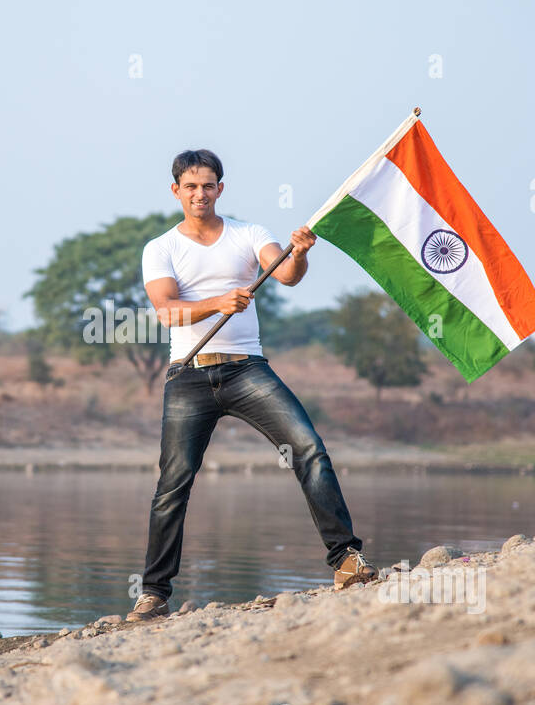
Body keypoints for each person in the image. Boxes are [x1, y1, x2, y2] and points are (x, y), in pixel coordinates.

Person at [127, 148, 377, 622]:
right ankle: (154, 593)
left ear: (221, 189)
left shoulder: (249, 234)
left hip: (247, 370)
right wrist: (220, 301)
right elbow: (167, 311)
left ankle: (346, 559)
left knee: (309, 448)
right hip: (189, 374)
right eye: (191, 186)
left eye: (209, 185)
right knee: (172, 484)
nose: (200, 194)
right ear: (176, 191)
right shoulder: (160, 248)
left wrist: (299, 252)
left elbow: (286, 276)